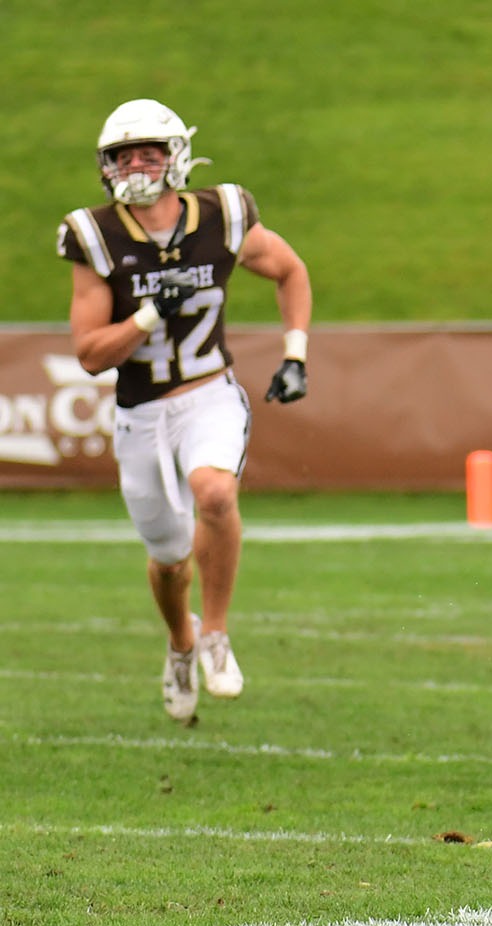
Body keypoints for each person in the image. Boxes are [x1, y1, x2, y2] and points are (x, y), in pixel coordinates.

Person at [59, 98, 312, 724]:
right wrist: (149, 313)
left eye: (148, 152)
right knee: (169, 559)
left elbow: (288, 269)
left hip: (208, 392)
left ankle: (217, 633)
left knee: (215, 493)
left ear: (176, 156)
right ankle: (181, 642)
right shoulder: (95, 234)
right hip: (140, 411)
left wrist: (296, 352)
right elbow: (91, 355)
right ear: (105, 166)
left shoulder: (221, 214)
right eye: (122, 155)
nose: (135, 165)